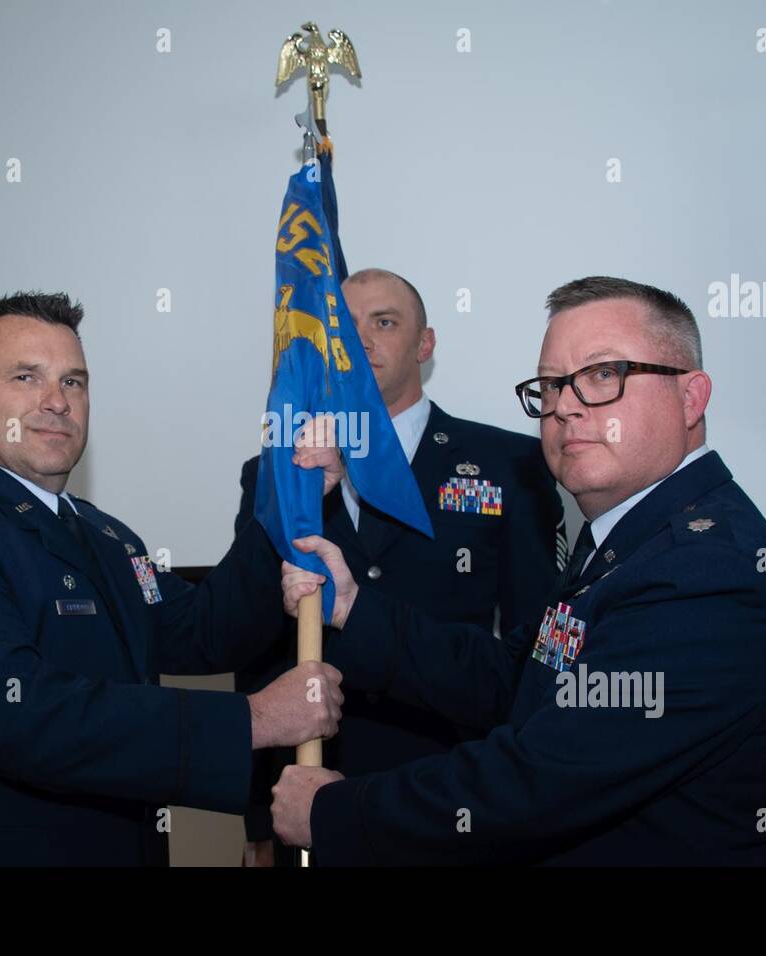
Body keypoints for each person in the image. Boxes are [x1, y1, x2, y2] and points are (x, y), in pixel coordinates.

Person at [271, 276, 766, 865]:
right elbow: (521, 685)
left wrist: (337, 812)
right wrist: (354, 607)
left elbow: (541, 778)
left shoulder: (707, 574)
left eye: (603, 375)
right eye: (552, 384)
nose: (563, 406)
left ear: (691, 397)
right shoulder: (631, 537)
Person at [0, 291, 343, 866]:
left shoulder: (105, 536)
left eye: (74, 382)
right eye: (26, 377)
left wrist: (289, 495)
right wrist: (254, 720)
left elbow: (206, 629)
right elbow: (19, 712)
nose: (56, 401)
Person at [235, 268, 565, 866]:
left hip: (455, 799)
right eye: (344, 327)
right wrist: (258, 813)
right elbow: (257, 650)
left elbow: (532, 655)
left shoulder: (509, 464)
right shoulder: (281, 473)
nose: (360, 340)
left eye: (384, 322)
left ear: (425, 343)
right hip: (314, 798)